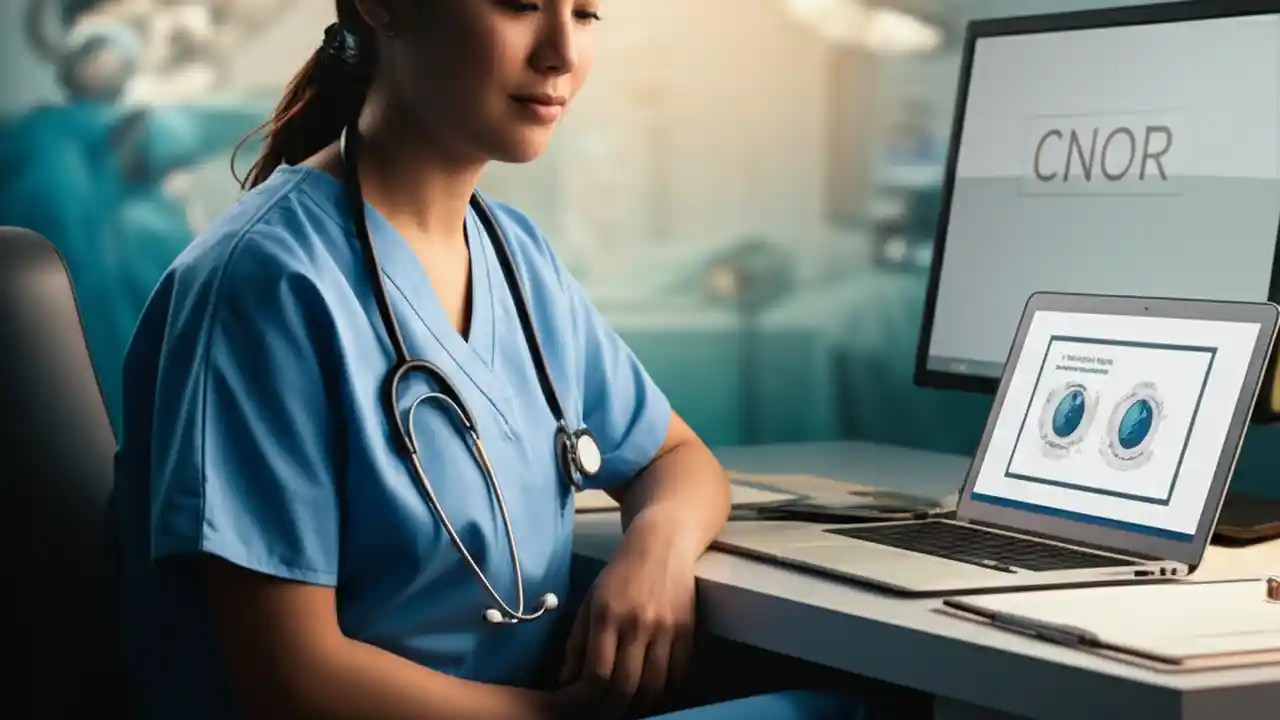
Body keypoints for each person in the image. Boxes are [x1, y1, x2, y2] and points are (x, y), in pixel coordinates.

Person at [109, 2, 894, 718]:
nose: (561, 52)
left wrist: (654, 552)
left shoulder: (515, 258)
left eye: (586, 13)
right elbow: (292, 678)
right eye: (520, 5)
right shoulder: (266, 282)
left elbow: (677, 459)